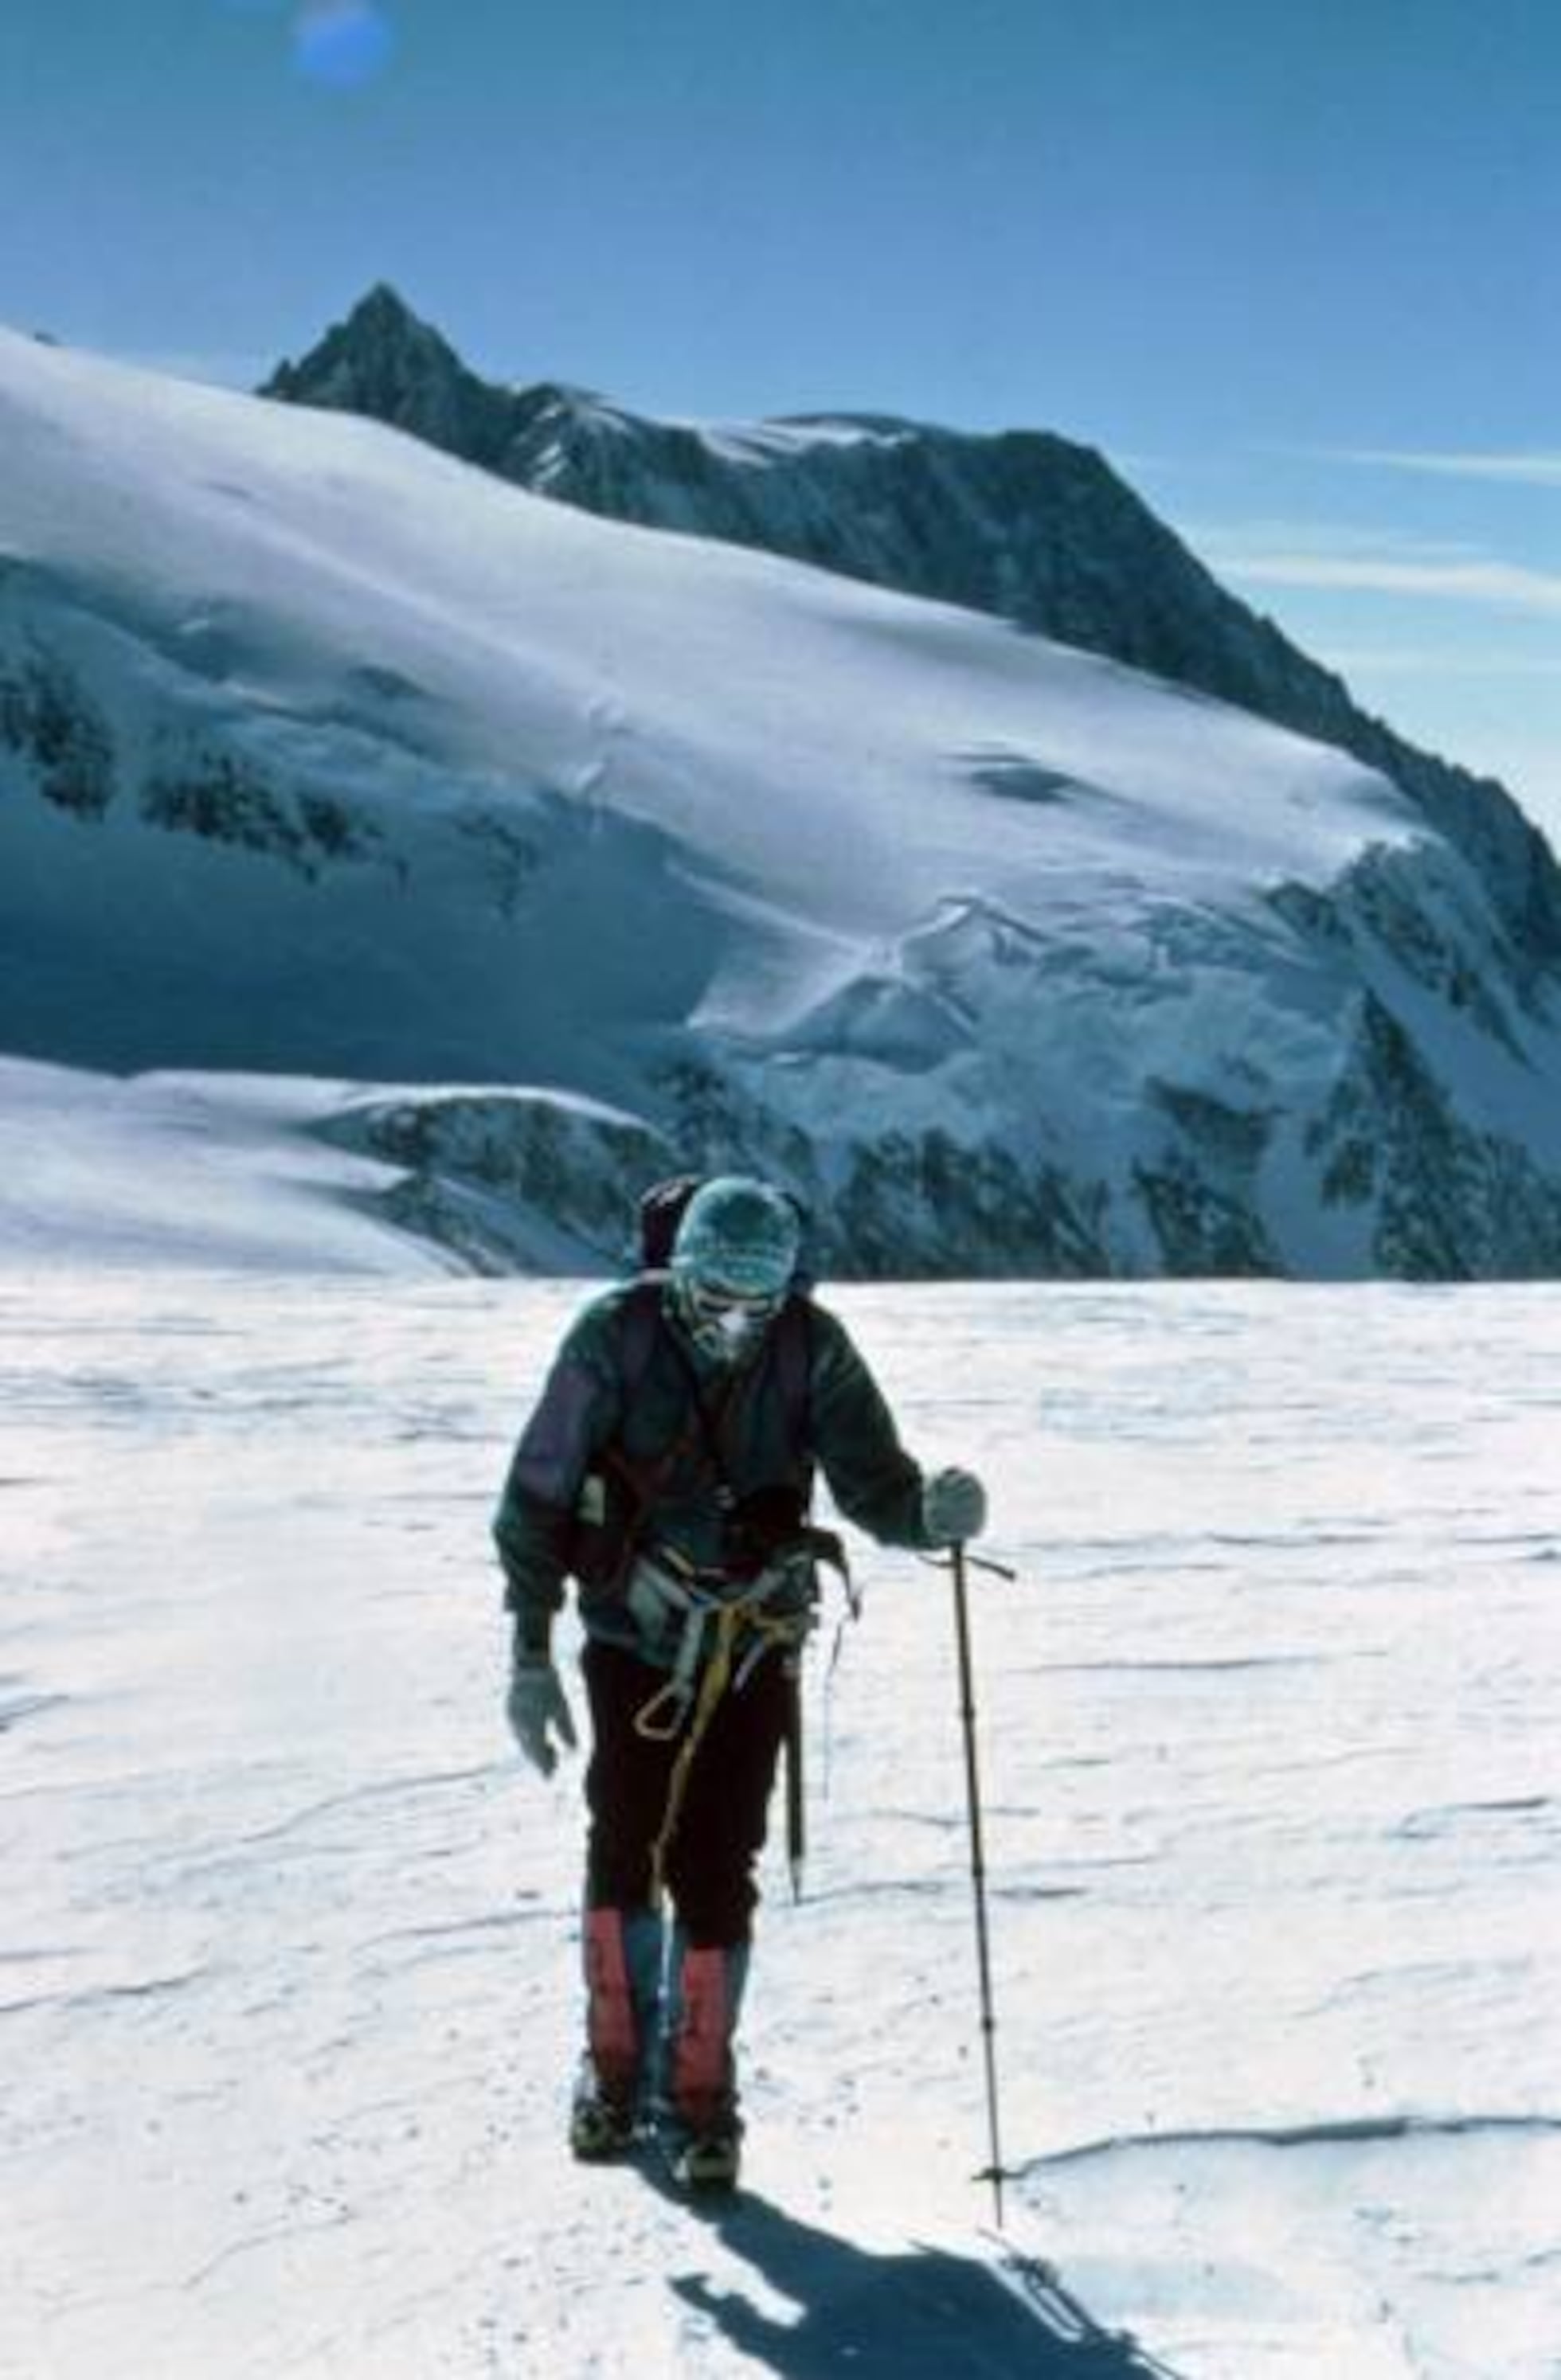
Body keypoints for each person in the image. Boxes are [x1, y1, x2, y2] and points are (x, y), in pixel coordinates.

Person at [492, 1174, 987, 2190]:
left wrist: (927, 1514)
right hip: (633, 1638)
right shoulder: (613, 1337)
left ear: (781, 1295)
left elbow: (874, 1483)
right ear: (679, 1279)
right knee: (626, 1839)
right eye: (714, 1301)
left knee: (718, 1859)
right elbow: (535, 1496)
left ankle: (696, 2087)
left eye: (754, 1308)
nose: (733, 1326)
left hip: (755, 1639)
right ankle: (616, 2066)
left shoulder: (811, 1348)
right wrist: (529, 1655)